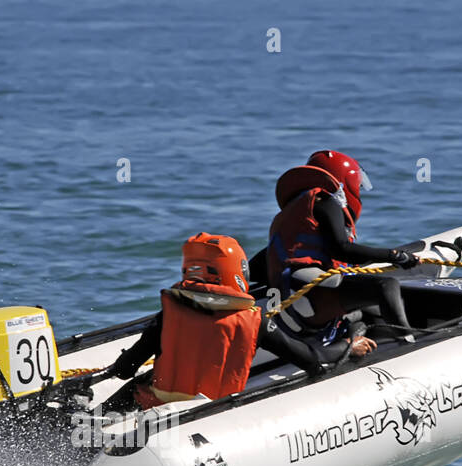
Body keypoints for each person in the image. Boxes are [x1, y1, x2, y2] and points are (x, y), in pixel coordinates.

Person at [258, 150, 420, 372]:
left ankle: (370, 344)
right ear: (345, 181)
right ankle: (411, 346)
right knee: (386, 286)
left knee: (370, 310)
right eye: (358, 186)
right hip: (311, 296)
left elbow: (264, 261)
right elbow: (342, 249)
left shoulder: (291, 214)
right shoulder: (326, 201)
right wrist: (396, 256)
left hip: (292, 305)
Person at [108, 232, 261, 408]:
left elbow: (125, 370)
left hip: (159, 405)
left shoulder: (170, 314)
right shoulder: (257, 321)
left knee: (141, 382)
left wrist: (119, 364)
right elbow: (297, 354)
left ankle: (86, 423)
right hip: (218, 409)